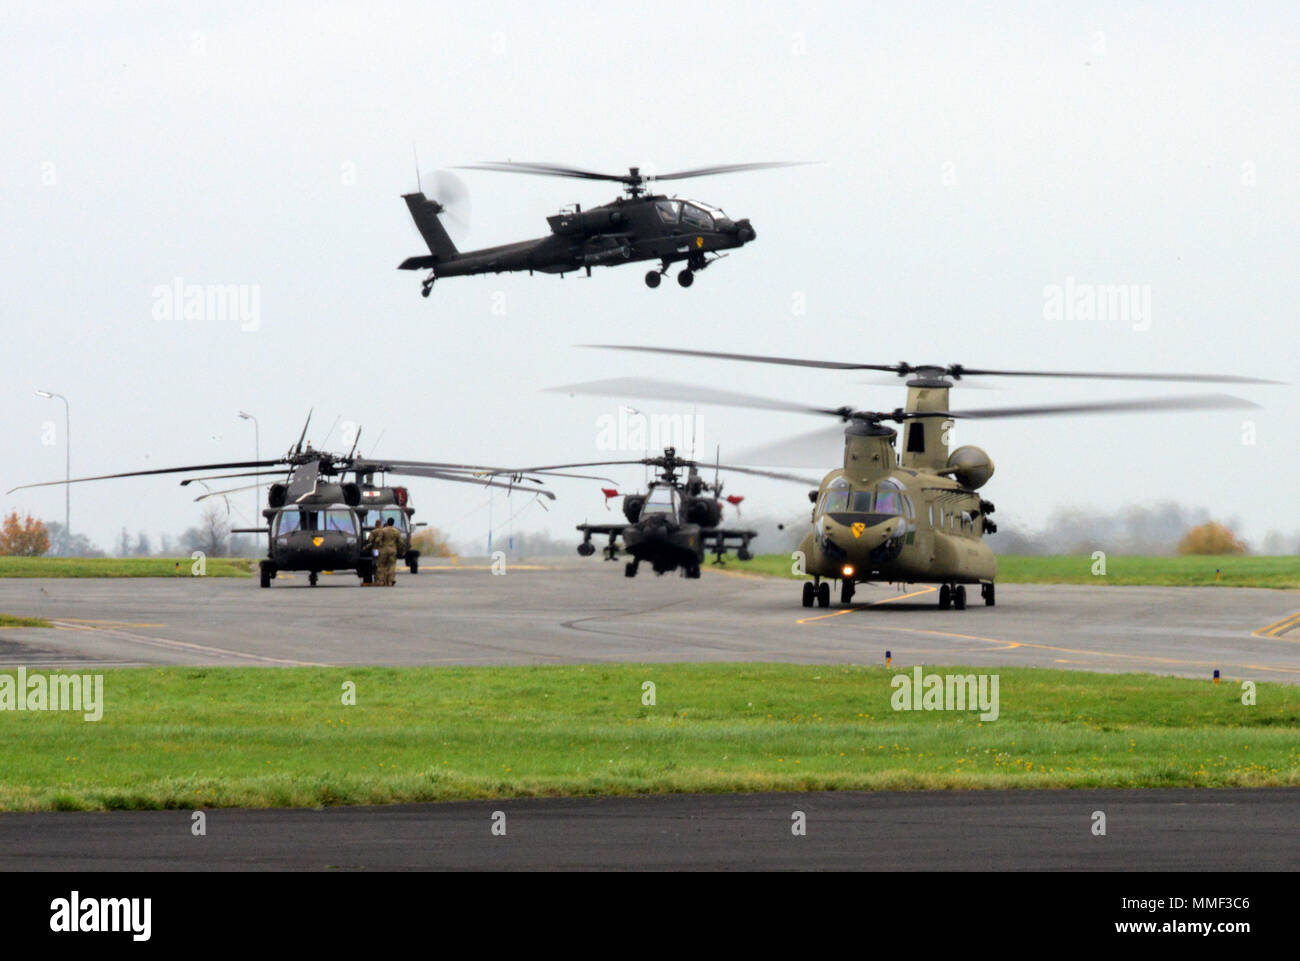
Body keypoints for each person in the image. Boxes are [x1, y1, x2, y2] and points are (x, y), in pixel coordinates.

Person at [372, 516, 403, 587]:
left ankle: (382, 581)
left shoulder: (382, 530)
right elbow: (401, 542)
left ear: (387, 522)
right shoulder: (396, 531)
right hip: (393, 550)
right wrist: (402, 550)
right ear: (393, 523)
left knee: (381, 565)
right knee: (392, 566)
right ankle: (390, 581)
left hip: (383, 550)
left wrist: (379, 545)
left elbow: (377, 540)